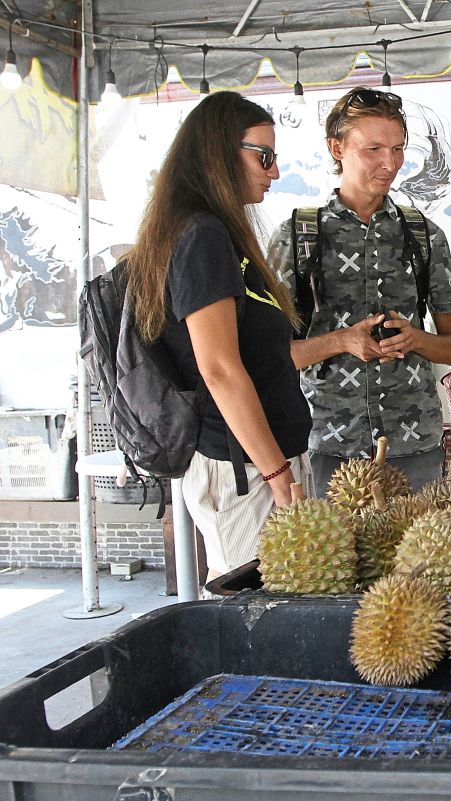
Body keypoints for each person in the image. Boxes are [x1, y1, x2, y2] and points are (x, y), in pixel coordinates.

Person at [123, 91, 310, 579]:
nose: (273, 171)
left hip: (257, 465)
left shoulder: (218, 235)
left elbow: (256, 357)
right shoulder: (202, 235)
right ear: (219, 154)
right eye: (263, 156)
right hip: (242, 472)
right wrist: (275, 471)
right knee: (254, 619)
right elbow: (220, 368)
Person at [267, 87, 451, 499]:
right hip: (331, 444)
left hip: (416, 443)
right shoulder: (297, 237)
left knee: (422, 560)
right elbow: (275, 357)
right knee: (338, 562)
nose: (389, 163)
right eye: (373, 148)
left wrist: (416, 339)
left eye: (397, 148)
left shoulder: (425, 235)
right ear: (336, 148)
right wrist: (341, 341)